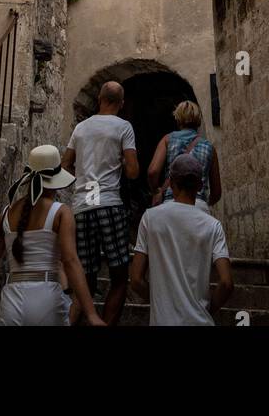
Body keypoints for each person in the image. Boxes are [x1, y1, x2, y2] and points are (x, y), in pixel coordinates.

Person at [0, 143, 104, 327]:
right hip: (47, 299)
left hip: (11, 301)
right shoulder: (61, 212)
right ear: (56, 183)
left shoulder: (6, 214)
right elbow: (70, 261)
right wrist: (92, 314)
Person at [61, 80, 139, 326]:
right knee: (118, 278)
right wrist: (120, 164)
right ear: (121, 103)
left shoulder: (81, 128)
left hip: (82, 206)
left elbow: (64, 165)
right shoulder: (123, 127)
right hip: (109, 204)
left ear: (99, 99)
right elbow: (134, 171)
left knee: (85, 279)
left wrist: (82, 175)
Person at [130, 154, 233, 326]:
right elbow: (226, 283)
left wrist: (160, 301)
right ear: (200, 186)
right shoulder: (213, 225)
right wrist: (208, 310)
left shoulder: (150, 218)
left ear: (171, 183)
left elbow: (136, 280)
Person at [147, 100, 222, 207]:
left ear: (178, 119)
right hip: (198, 201)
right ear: (198, 120)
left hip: (172, 200)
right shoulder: (210, 148)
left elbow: (152, 172)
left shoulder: (167, 140)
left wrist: (156, 191)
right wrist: (204, 204)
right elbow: (217, 192)